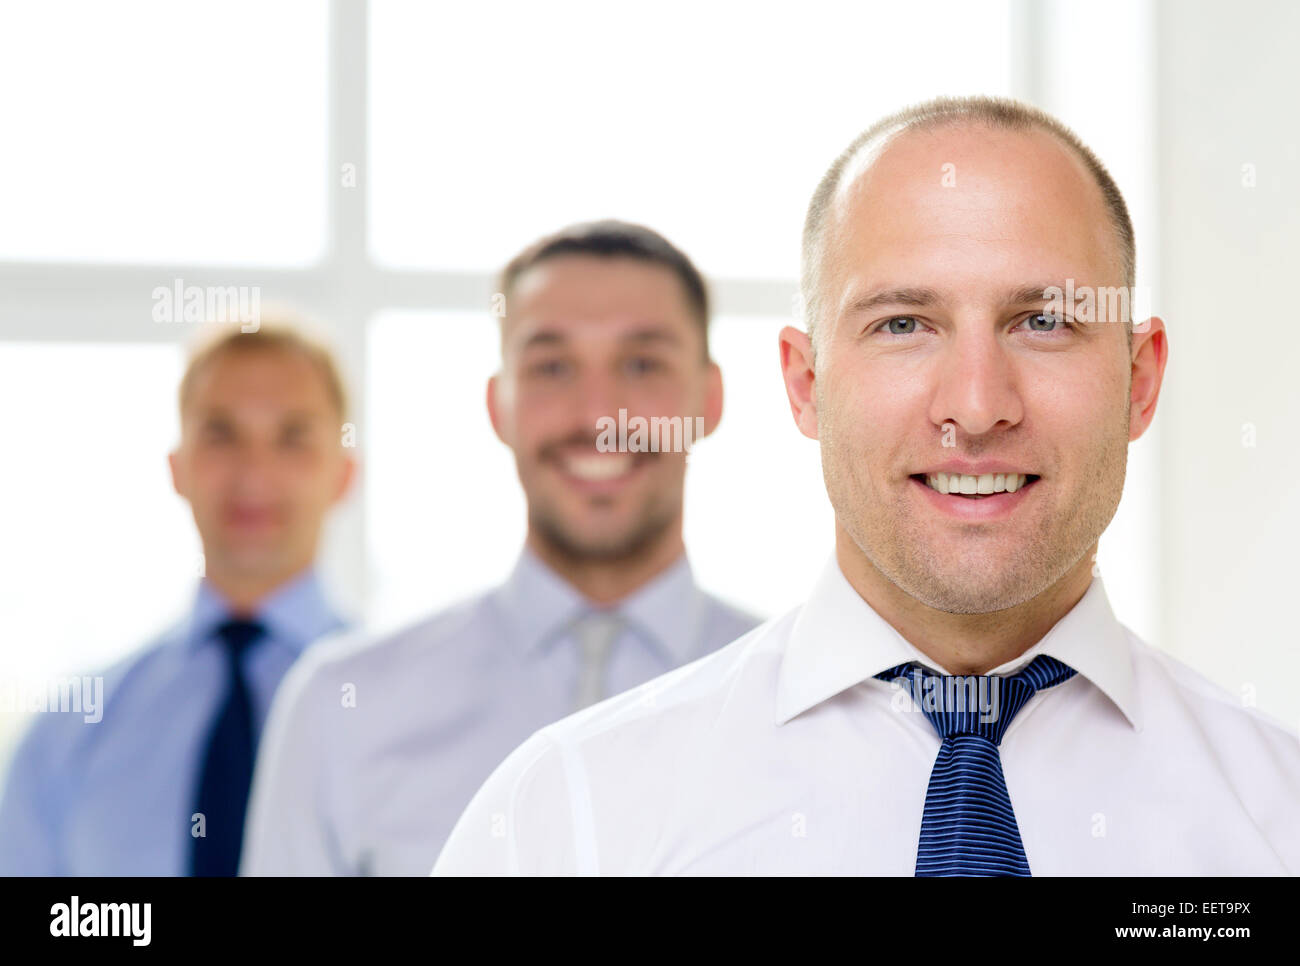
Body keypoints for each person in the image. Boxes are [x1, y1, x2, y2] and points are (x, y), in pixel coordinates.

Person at [433, 96, 1300, 876]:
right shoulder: (569, 818)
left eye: (1043, 321)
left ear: (1138, 379)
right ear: (806, 384)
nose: (977, 404)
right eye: (903, 324)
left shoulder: (1278, 817)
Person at [241, 220, 761, 876]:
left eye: (641, 363)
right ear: (499, 405)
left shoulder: (816, 708)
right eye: (552, 366)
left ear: (709, 399)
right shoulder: (338, 707)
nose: (599, 414)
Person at [0, 322, 355, 875]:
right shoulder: (67, 735)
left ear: (345, 473)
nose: (253, 472)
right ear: (177, 467)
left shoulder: (408, 717)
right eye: (221, 433)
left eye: (293, 436)